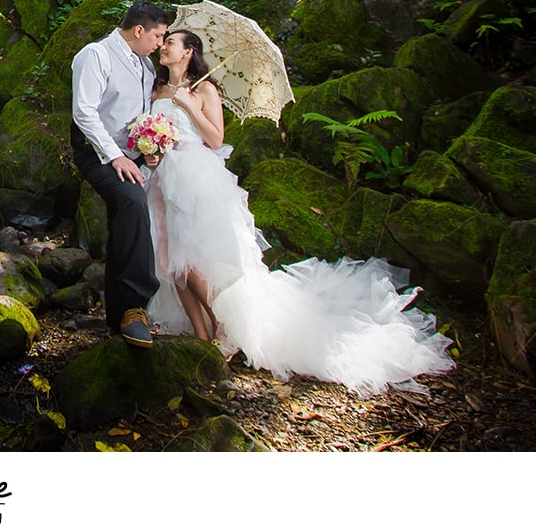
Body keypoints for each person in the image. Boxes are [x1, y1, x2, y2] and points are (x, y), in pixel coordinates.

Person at [142, 28, 456, 396]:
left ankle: (223, 326)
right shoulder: (156, 89)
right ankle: (201, 336)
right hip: (161, 178)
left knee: (190, 260)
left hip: (195, 176)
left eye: (171, 43)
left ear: (188, 51)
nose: (163, 47)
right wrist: (151, 149)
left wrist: (191, 107)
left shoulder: (204, 90)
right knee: (168, 260)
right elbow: (152, 129)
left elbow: (214, 139)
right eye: (164, 43)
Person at [71, 1, 170, 347]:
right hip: (97, 154)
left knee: (124, 225)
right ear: (139, 30)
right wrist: (115, 157)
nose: (161, 43)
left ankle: (115, 320)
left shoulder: (145, 64)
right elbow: (84, 113)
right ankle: (133, 307)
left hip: (130, 155)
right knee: (132, 201)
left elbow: (139, 114)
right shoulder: (95, 55)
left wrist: (148, 150)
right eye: (158, 36)